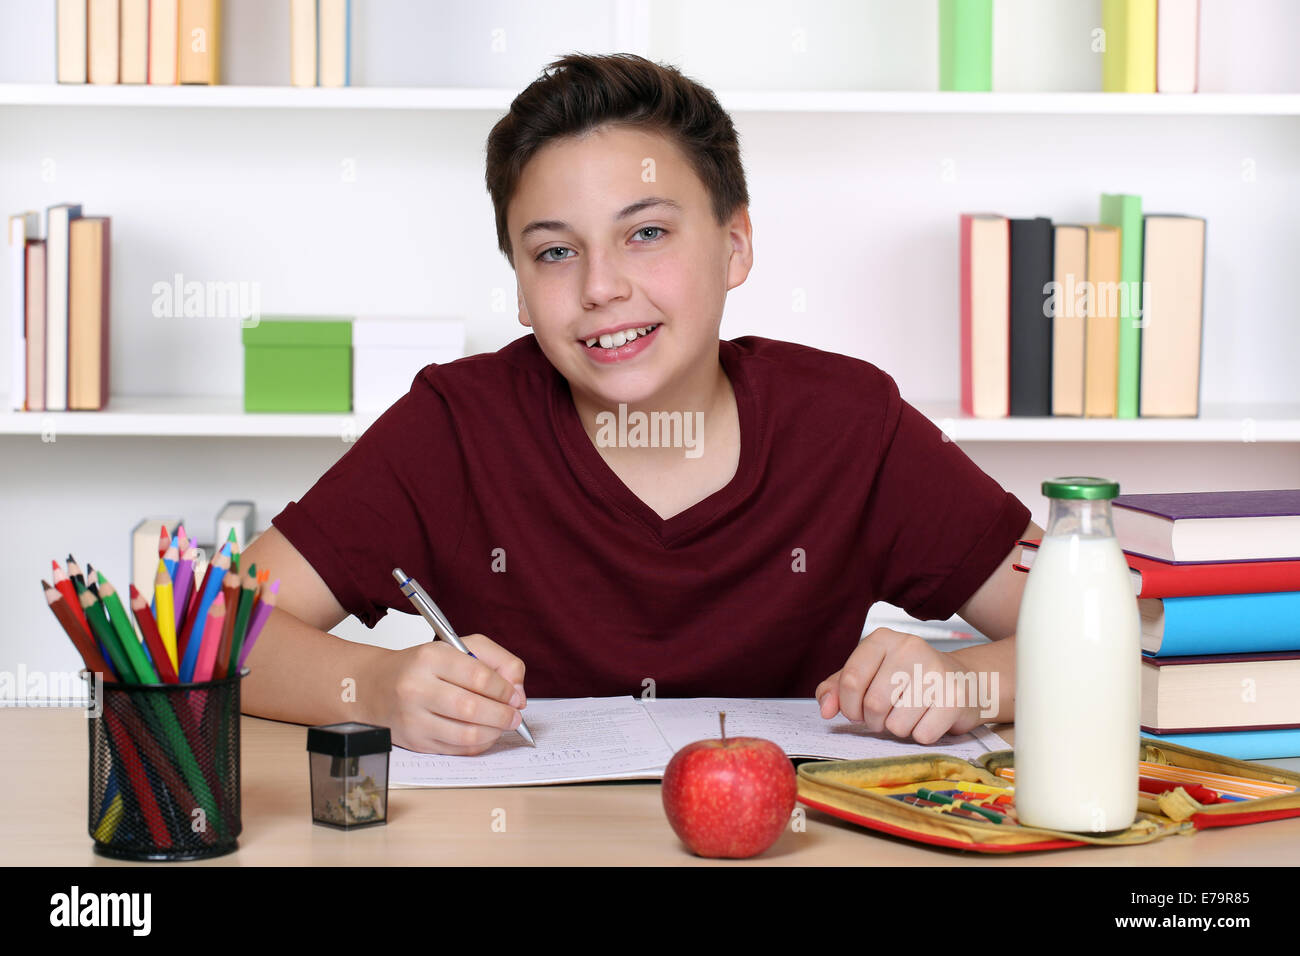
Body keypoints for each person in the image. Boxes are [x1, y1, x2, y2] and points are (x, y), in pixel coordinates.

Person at [240, 52, 1043, 755]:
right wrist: (376, 687)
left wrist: (965, 679)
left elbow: (1113, 630)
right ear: (521, 288)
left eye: (647, 234)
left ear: (735, 246)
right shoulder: (453, 429)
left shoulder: (850, 425)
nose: (600, 288)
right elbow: (204, 634)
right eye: (555, 252)